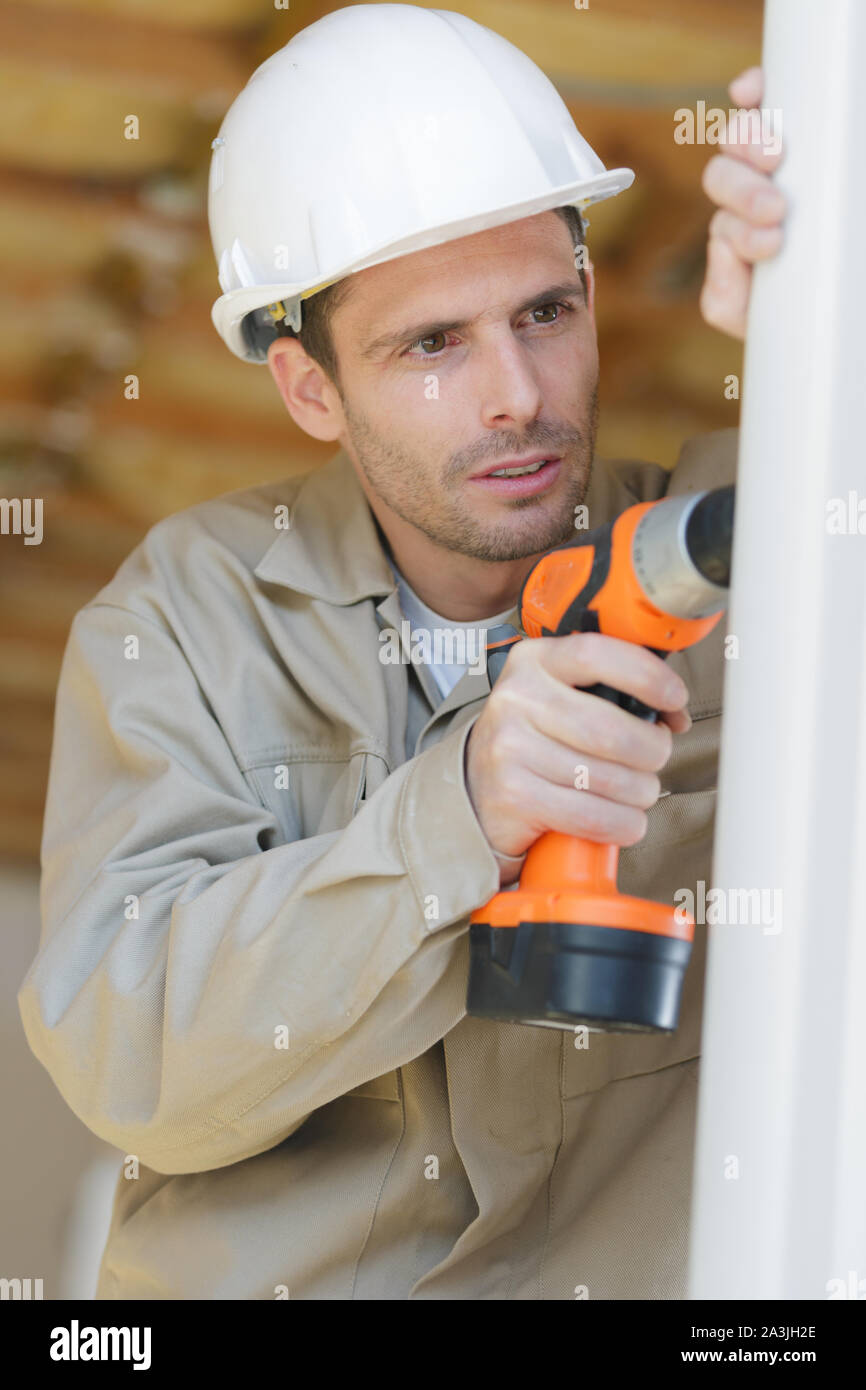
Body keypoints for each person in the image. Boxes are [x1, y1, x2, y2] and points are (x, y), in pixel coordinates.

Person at [19, 7, 785, 1299]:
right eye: (431, 345)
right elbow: (126, 1054)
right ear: (310, 386)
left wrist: (824, 321)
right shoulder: (189, 619)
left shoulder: (743, 556)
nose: (518, 394)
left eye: (545, 312)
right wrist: (460, 816)